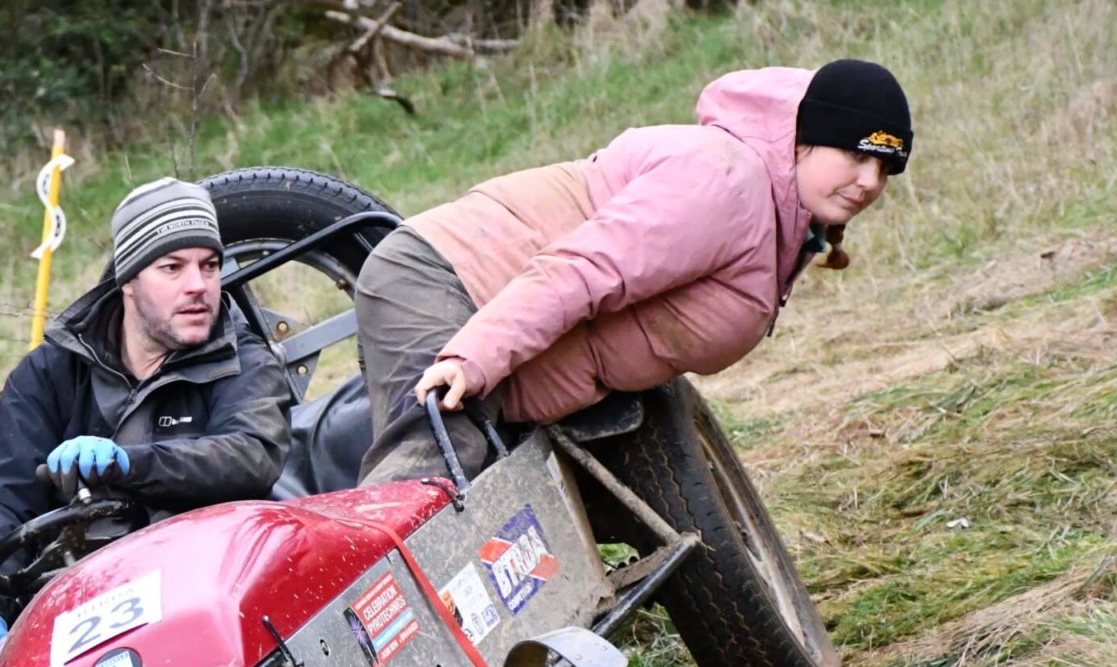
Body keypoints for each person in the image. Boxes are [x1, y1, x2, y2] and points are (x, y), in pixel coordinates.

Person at [355, 59, 914, 482]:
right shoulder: (725, 181)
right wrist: (473, 357)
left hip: (505, 326)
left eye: (885, 168)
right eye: (856, 156)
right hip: (447, 280)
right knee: (434, 478)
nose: (870, 181)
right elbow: (586, 269)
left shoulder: (785, 222)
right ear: (805, 140)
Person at [0, 177, 295, 667]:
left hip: (213, 596)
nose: (198, 285)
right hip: (85, 611)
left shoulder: (246, 362)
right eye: (172, 268)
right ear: (128, 280)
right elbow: (1, 499)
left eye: (210, 265)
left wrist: (129, 465)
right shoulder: (47, 375)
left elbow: (250, 456)